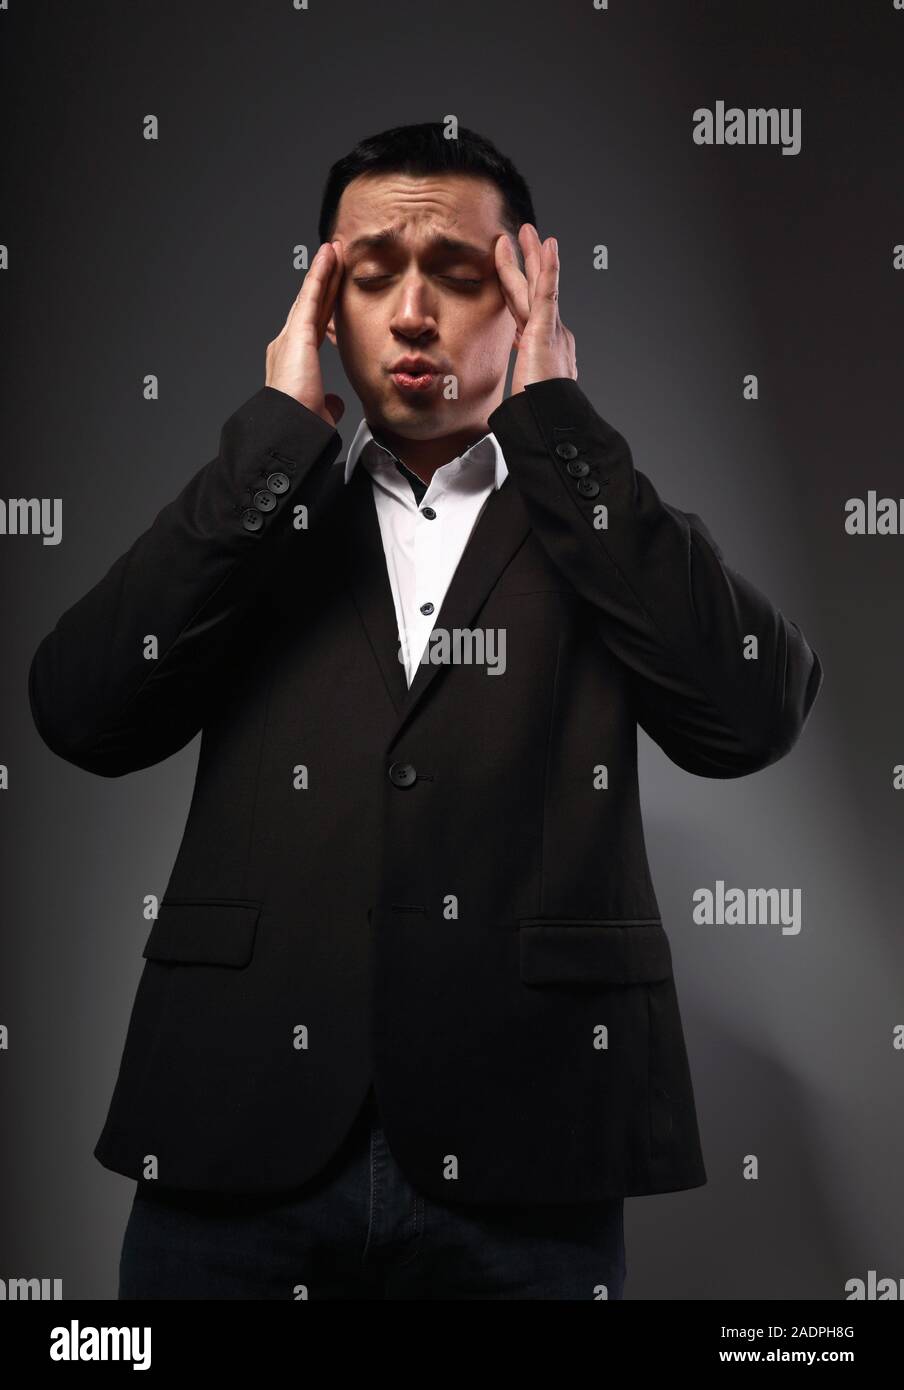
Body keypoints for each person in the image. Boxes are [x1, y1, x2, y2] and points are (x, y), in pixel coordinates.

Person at [27, 122, 823, 1300]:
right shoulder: (256, 524)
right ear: (320, 302)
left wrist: (559, 428)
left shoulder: (603, 531)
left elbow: (749, 714)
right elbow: (80, 712)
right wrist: (274, 443)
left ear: (523, 297)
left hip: (528, 1155)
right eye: (369, 273)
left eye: (455, 275)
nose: (411, 313)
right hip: (234, 1136)